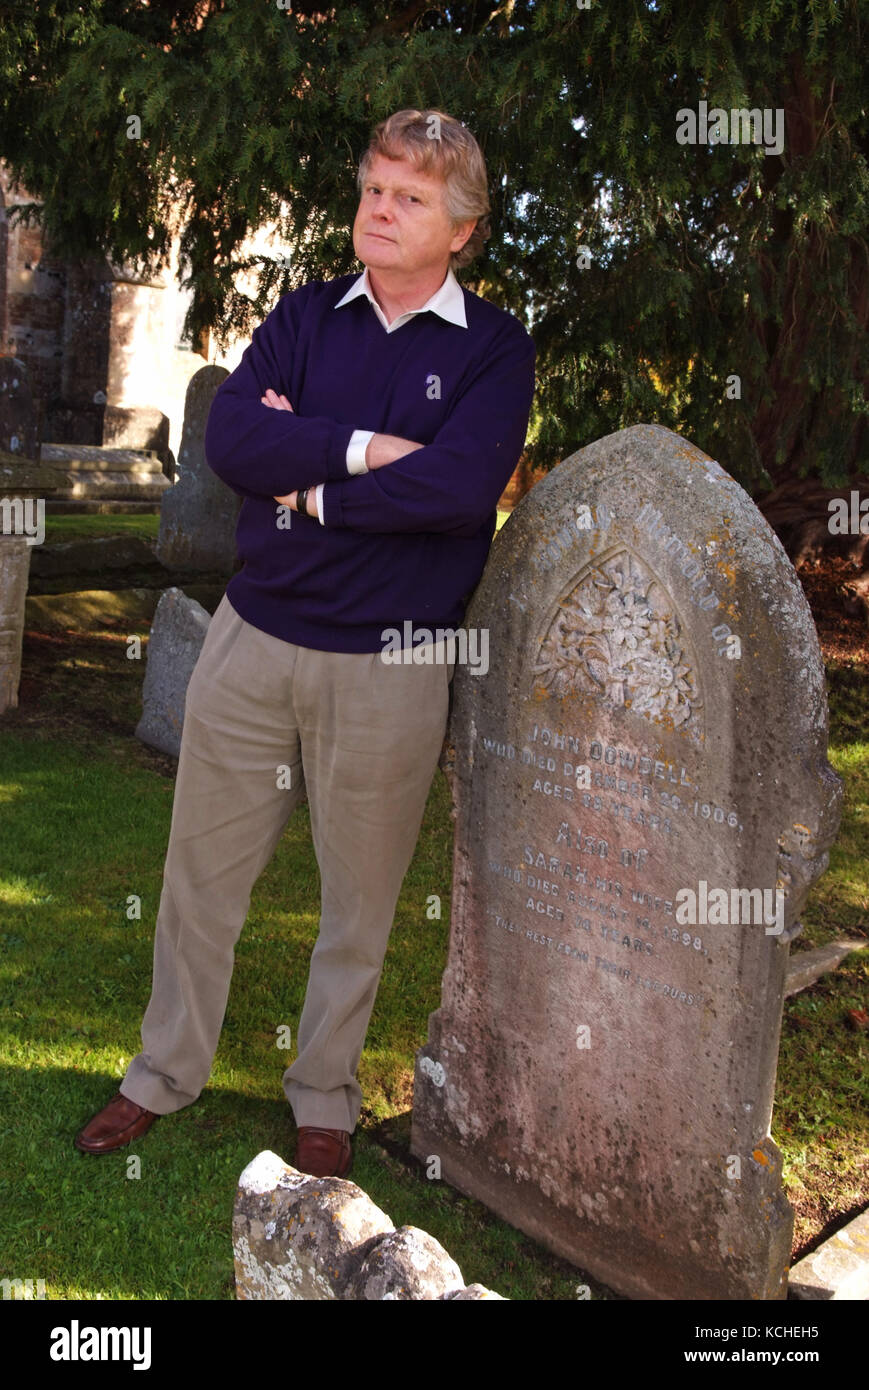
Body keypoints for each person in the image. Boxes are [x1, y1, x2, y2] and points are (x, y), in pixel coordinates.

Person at [74, 108, 536, 1177]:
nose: (381, 209)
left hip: (391, 665)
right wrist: (368, 453)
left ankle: (321, 1089)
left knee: (358, 901)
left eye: (409, 197)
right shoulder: (301, 315)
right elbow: (234, 438)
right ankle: (161, 1072)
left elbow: (457, 488)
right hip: (254, 640)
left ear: (458, 228)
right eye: (375, 188)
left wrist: (305, 479)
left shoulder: (494, 349)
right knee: (199, 877)